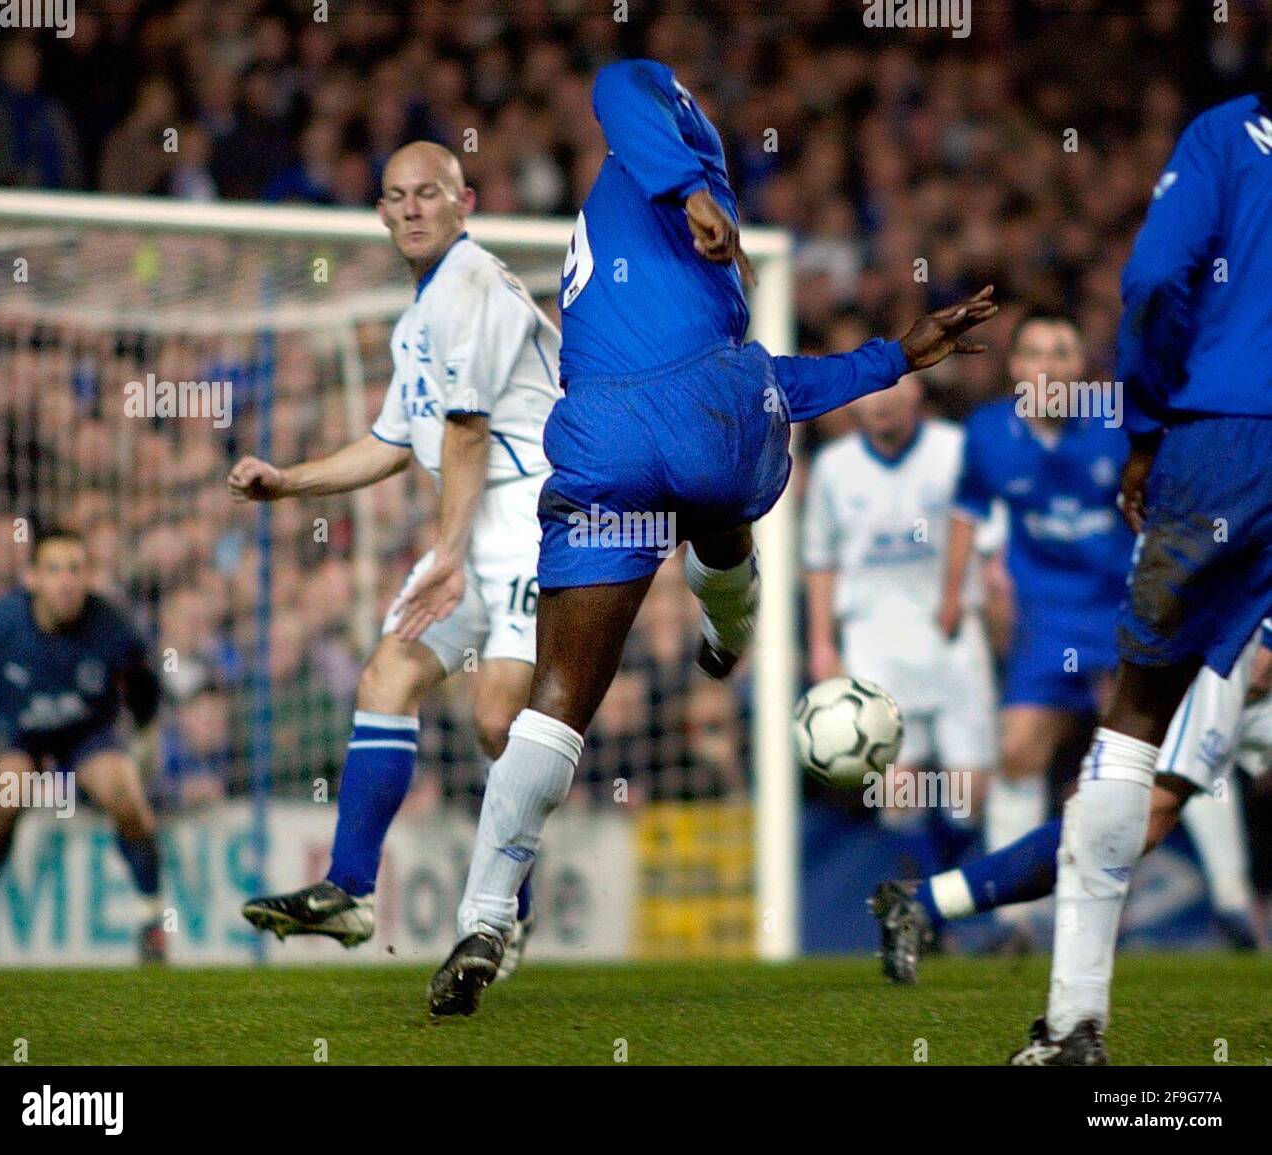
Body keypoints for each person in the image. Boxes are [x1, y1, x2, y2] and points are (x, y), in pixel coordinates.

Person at [425, 58, 996, 1016]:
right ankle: (731, 621)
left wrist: (692, 186)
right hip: (720, 413)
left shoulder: (670, 165)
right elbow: (778, 379)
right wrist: (897, 355)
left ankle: (486, 916)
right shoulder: (701, 213)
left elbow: (613, 81)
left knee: (553, 705)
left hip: (607, 432)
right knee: (724, 487)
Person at [229, 142, 558, 975]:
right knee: (387, 676)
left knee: (497, 720)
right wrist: (288, 482)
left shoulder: (474, 285)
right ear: (380, 212)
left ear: (464, 202)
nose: (412, 208)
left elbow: (469, 430)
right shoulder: (417, 317)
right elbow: (390, 441)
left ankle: (507, 908)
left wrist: (447, 553)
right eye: (396, 196)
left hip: (533, 517)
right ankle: (348, 890)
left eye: (429, 195)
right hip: (469, 525)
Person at [1009, 85, 1272, 1065]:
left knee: (1134, 724)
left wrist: (1147, 426)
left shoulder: (1221, 135)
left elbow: (1157, 276)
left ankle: (1074, 1023)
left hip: (1222, 446)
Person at [871, 620, 1272, 983]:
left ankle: (929, 904)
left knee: (1137, 811)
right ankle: (935, 906)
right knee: (1130, 816)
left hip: (1224, 643)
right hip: (1213, 644)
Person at [939, 307, 1135, 927]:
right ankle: (1009, 922)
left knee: (1132, 758)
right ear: (1016, 366)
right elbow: (967, 511)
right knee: (1018, 750)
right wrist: (952, 594)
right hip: (1046, 617)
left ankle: (1225, 904)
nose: (1049, 367)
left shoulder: (1117, 425)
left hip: (1120, 610)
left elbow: (1155, 508)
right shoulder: (988, 432)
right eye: (1036, 354)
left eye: (1062, 353)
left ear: (1082, 367)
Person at [802, 374, 996, 856]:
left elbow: (989, 539)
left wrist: (986, 596)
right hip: (875, 638)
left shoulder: (955, 449)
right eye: (870, 388)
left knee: (969, 793)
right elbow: (820, 561)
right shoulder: (833, 467)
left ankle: (937, 895)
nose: (883, 397)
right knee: (898, 789)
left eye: (895, 385)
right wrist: (823, 644)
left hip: (950, 630)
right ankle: (923, 909)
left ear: (917, 393)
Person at [0, 527, 164, 963]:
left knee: (124, 793)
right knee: (7, 794)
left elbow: (144, 687)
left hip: (86, 734)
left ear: (89, 577)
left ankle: (152, 921)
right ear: (32, 578)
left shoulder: (114, 627)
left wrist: (147, 735)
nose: (67, 581)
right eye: (55, 569)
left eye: (76, 569)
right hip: (14, 728)